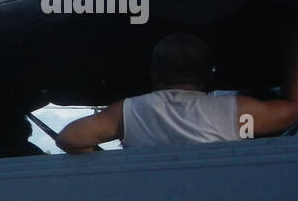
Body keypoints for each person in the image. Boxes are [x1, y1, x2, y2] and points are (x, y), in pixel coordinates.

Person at [58, 31, 298, 151]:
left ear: (154, 72)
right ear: (208, 74)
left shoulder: (128, 111)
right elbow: (293, 110)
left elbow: (70, 138)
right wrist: (291, 41)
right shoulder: (236, 110)